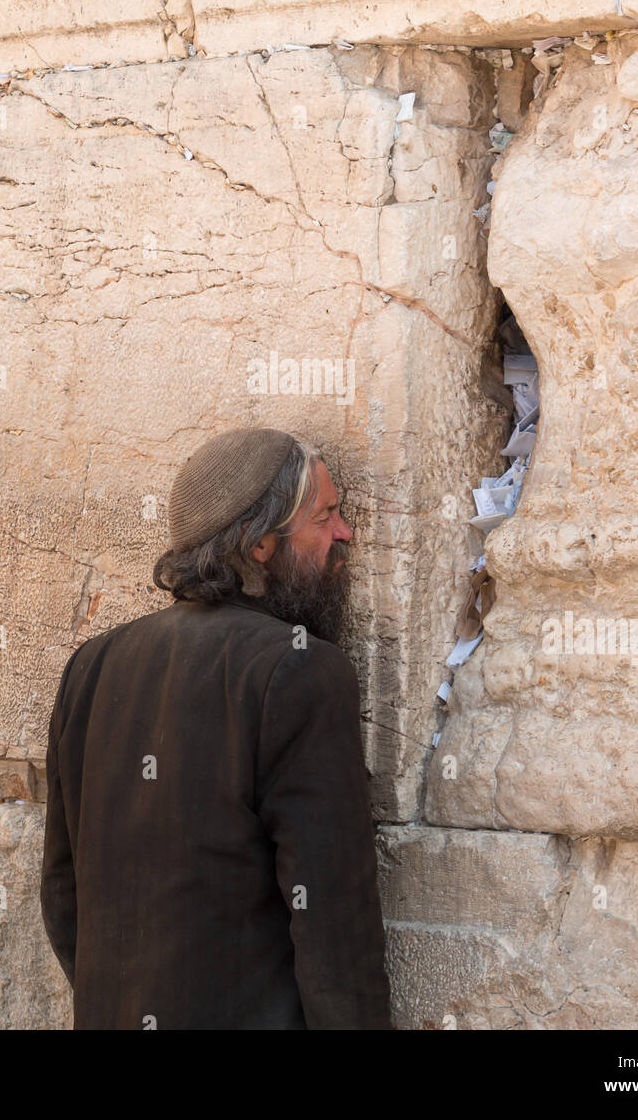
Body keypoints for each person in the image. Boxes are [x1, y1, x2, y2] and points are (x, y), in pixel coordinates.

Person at [40, 426, 393, 1030]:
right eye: (326, 516)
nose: (345, 533)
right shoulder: (302, 669)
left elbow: (62, 897)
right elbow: (334, 929)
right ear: (260, 546)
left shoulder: (92, 667)